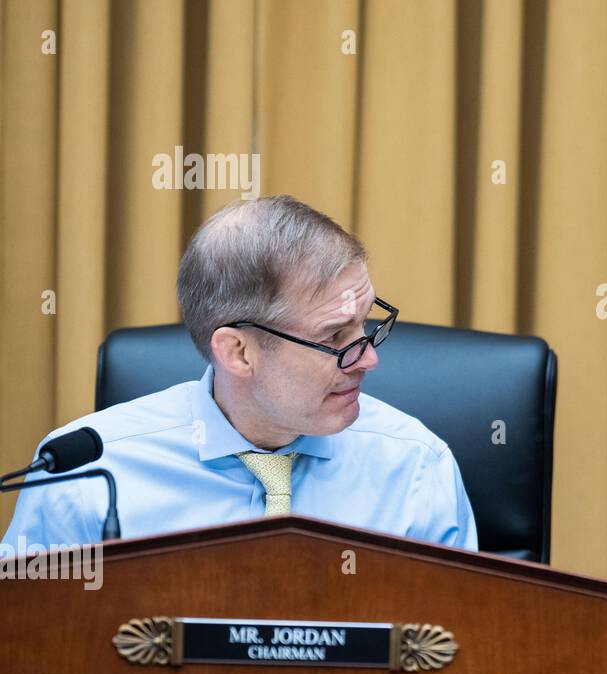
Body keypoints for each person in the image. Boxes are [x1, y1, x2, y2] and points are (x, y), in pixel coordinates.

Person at [3, 195, 476, 550]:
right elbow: (32, 657)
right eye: (334, 338)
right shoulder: (86, 476)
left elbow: (460, 654)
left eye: (367, 323)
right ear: (238, 352)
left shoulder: (415, 466)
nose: (369, 359)